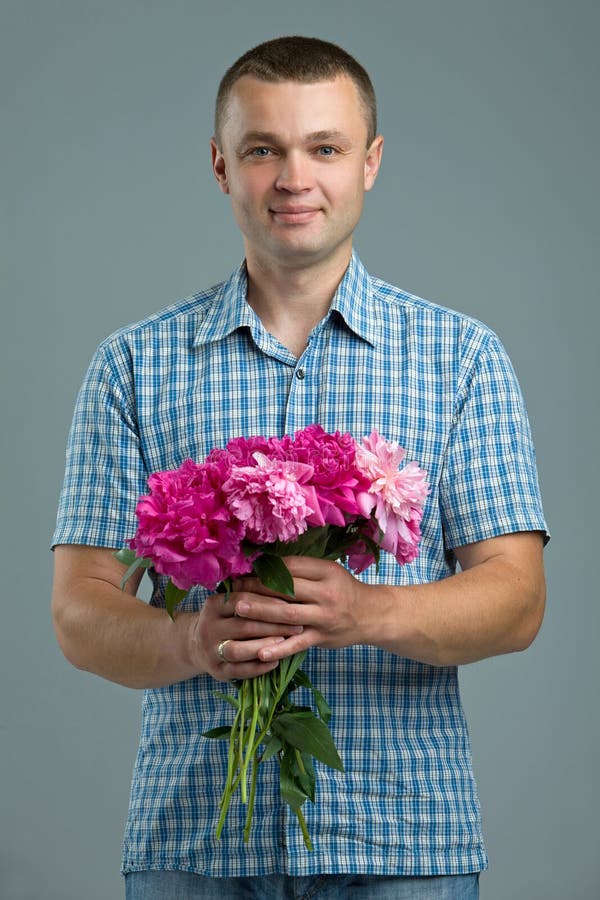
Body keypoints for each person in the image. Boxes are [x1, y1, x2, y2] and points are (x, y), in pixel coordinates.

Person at [51, 36, 548, 900]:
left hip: (405, 843)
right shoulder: (131, 365)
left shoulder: (461, 358)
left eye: (324, 147)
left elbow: (518, 599)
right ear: (219, 165)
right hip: (195, 843)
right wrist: (187, 640)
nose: (293, 178)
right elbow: (78, 607)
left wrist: (364, 611)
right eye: (262, 149)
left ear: (371, 162)